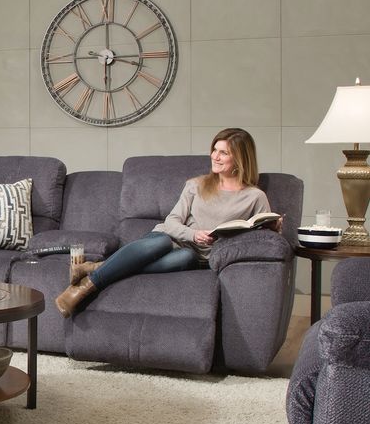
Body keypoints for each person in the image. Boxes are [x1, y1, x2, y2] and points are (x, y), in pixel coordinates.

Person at [55, 127, 280, 318]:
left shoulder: (254, 196)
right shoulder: (197, 184)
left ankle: (97, 266)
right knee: (161, 241)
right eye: (214, 149)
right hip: (167, 239)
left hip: (199, 255)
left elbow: (261, 234)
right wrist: (193, 234)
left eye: (223, 153)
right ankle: (83, 288)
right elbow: (172, 221)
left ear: (239, 159)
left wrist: (272, 228)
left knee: (186, 257)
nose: (215, 156)